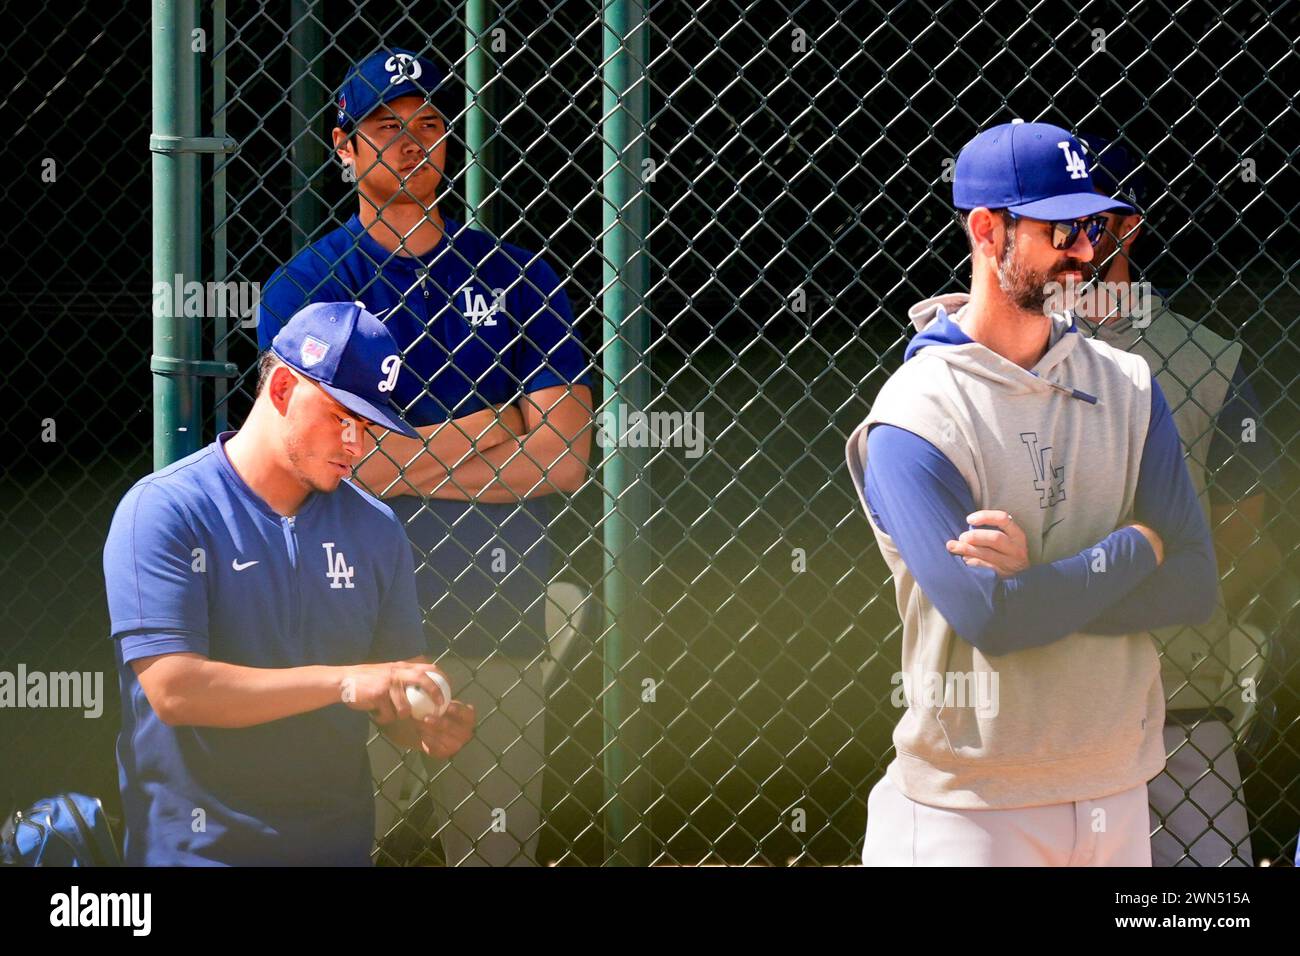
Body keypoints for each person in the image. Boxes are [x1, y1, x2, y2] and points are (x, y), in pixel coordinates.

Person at [845, 120, 1218, 865]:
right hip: (968, 810)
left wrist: (1040, 580)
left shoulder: (1128, 385)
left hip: (1117, 785)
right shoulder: (913, 417)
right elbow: (994, 620)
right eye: (1064, 229)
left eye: (1094, 226)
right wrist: (1134, 547)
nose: (1088, 250)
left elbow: (1192, 585)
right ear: (989, 230)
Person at [256, 48, 593, 866]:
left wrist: (385, 450)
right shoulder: (308, 285)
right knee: (336, 850)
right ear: (344, 146)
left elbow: (565, 459)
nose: (412, 142)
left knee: (496, 853)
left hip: (497, 613)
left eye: (430, 124)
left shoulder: (519, 278)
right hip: (343, 629)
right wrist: (492, 430)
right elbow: (311, 456)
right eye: (385, 126)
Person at [103, 301, 475, 865]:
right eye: (341, 418)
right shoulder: (165, 509)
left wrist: (421, 723)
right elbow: (175, 690)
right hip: (199, 853)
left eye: (370, 426)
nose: (359, 445)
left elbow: (390, 690)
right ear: (280, 390)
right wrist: (347, 682)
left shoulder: (376, 527)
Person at [1075, 133, 1285, 866]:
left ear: (1127, 224)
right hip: (1048, 705)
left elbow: (1242, 535)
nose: (1064, 235)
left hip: (1175, 702)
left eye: (1086, 216)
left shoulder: (1210, 359)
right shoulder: (987, 358)